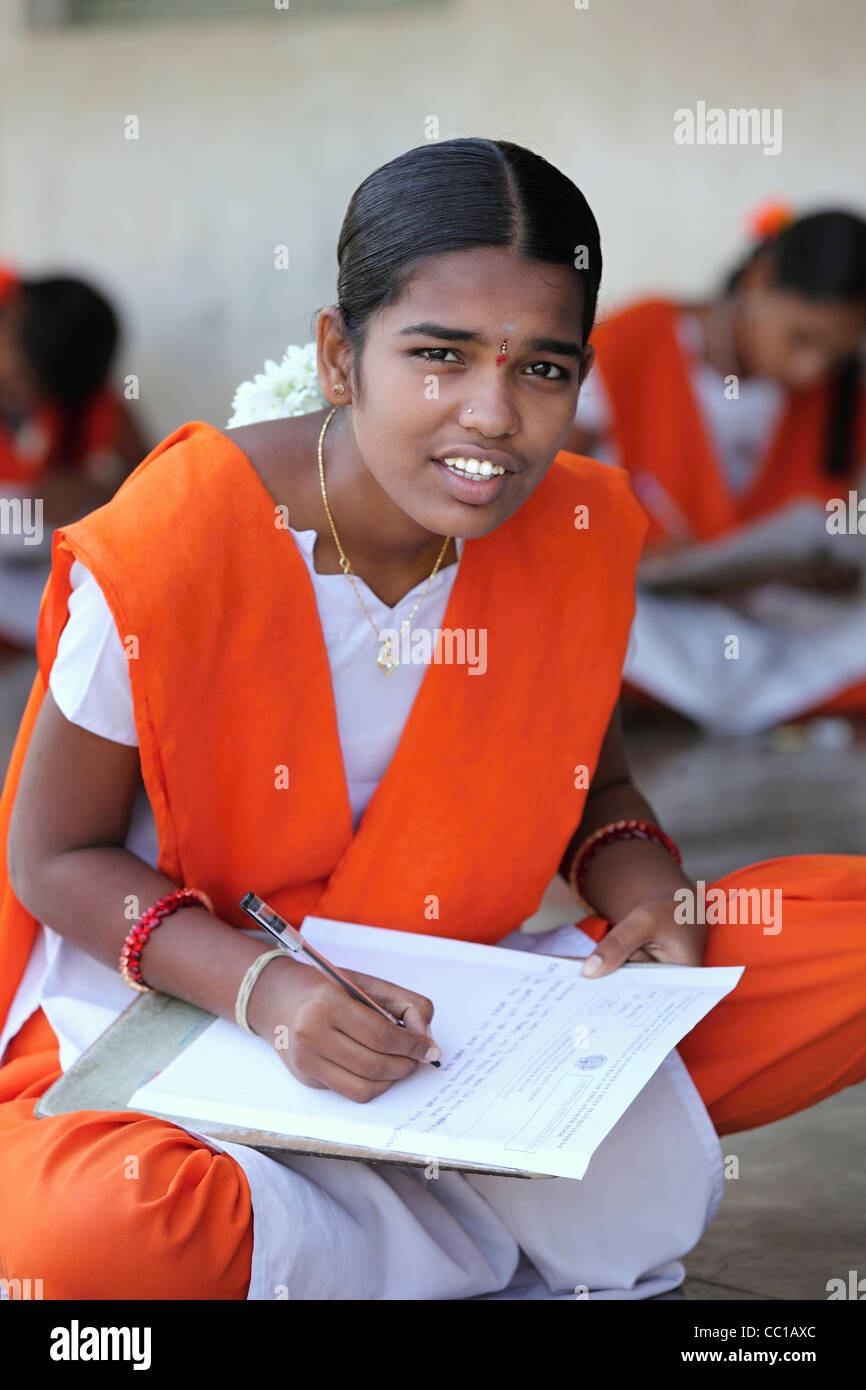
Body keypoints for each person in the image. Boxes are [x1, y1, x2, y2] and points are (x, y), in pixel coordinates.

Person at [0, 140, 863, 1301]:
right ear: (338, 356)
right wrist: (269, 989)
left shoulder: (572, 528)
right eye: (438, 357)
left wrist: (642, 885)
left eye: (542, 370)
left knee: (837, 938)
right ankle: (420, 1221)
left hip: (459, 1009)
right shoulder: (180, 536)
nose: (492, 416)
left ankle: (446, 1169)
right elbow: (52, 854)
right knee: (90, 1240)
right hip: (199, 1005)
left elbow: (593, 791)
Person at [566, 207, 866, 732]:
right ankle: (759, 705)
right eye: (802, 339)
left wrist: (828, 569)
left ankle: (709, 704)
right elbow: (549, 487)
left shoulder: (838, 395)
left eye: (834, 357)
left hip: (769, 619)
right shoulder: (640, 337)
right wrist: (631, 550)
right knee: (584, 625)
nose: (811, 370)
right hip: (654, 608)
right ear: (758, 281)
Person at [0, 269, 150, 649]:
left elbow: (153, 479)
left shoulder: (73, 369)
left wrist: (96, 486)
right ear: (11, 320)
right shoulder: (25, 318)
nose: (27, 398)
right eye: (22, 379)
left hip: (35, 576)